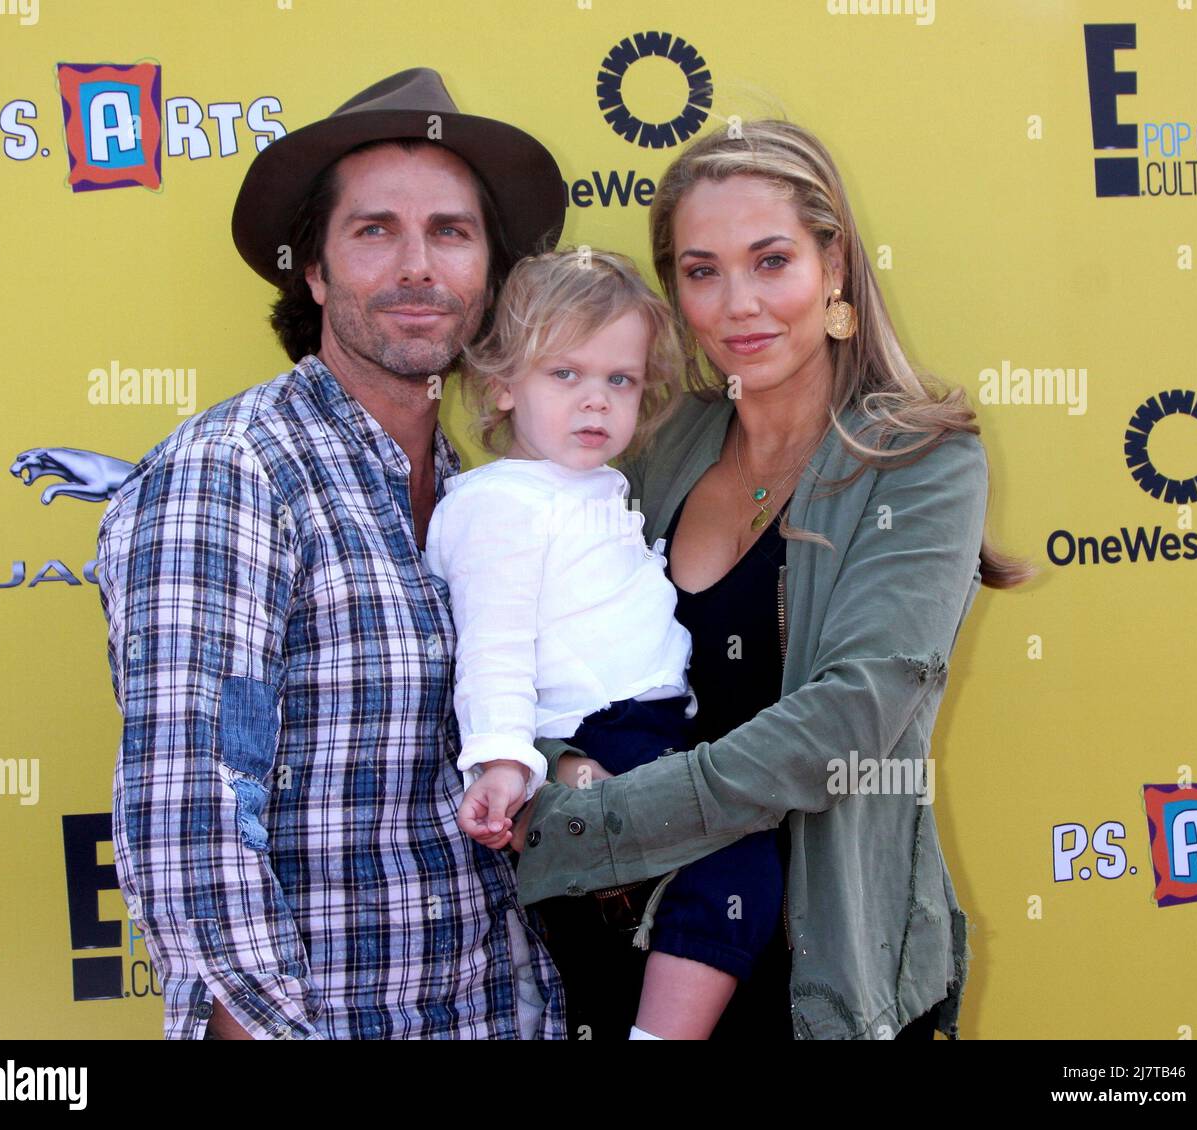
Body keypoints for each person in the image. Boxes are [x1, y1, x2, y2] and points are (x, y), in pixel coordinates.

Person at [511, 119, 1034, 1040]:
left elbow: (848, 719)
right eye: (702, 270)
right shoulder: (656, 446)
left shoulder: (918, 460)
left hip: (820, 983)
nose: (738, 304)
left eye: (771, 260)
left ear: (832, 265)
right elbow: (549, 636)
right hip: (626, 958)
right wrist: (562, 762)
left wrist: (600, 820)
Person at [95, 68, 569, 1039]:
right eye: (372, 230)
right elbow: (194, 818)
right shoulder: (230, 474)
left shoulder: (483, 493)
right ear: (312, 271)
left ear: (490, 272)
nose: (417, 267)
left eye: (449, 231)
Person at [423, 249, 789, 1040]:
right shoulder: (502, 504)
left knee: (719, 881)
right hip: (599, 735)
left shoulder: (597, 484)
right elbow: (493, 643)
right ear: (502, 386)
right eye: (566, 375)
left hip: (656, 732)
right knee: (738, 864)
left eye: (619, 380)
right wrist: (502, 758)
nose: (596, 401)